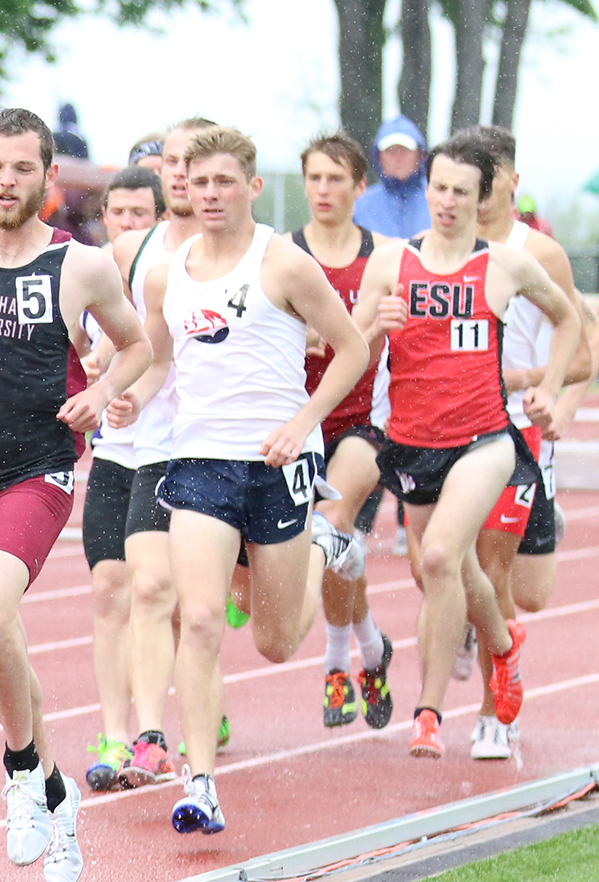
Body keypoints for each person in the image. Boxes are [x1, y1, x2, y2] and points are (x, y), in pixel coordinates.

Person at [118, 126, 371, 834]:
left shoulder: (283, 263)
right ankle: (201, 781)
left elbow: (350, 348)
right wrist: (134, 397)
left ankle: (325, 544)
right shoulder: (168, 275)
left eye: (224, 182)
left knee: (276, 641)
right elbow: (161, 360)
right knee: (197, 617)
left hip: (279, 461)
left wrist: (305, 421)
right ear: (183, 189)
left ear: (253, 187)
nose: (210, 195)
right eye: (198, 183)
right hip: (199, 460)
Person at [0, 108, 150, 882]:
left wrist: (104, 392)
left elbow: (139, 343)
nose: (8, 181)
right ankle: (56, 795)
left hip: (37, 468)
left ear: (48, 176)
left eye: (24, 168)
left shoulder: (79, 265)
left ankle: (20, 769)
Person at [353, 136, 582, 758]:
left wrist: (551, 389)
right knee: (448, 572)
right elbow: (351, 351)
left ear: (489, 193)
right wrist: (376, 328)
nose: (448, 201)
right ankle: (499, 647)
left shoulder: (516, 261)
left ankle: (450, 714)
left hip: (495, 435)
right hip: (415, 440)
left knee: (460, 564)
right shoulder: (393, 261)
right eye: (439, 188)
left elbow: (573, 325)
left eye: (462, 190)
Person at [455, 125, 592, 760]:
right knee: (484, 569)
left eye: (488, 179)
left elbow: (583, 356)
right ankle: (493, 713)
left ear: (510, 180)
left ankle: (479, 617)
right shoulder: (436, 251)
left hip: (523, 429)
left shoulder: (540, 254)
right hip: (454, 429)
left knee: (527, 592)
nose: (476, 195)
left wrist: (544, 389)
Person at [106, 118, 214, 788]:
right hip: (156, 444)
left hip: (229, 448)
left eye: (194, 164)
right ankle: (149, 736)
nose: (179, 174)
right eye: (171, 162)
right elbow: (140, 349)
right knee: (149, 586)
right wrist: (122, 392)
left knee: (256, 624)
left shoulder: (257, 255)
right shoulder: (137, 256)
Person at [284, 132, 395, 731]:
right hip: (299, 425)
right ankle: (372, 647)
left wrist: (370, 332)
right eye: (315, 178)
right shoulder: (283, 254)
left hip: (365, 424)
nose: (323, 189)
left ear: (360, 186)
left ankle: (333, 663)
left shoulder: (384, 256)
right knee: (339, 553)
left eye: (336, 178)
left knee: (331, 528)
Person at [81, 164, 163, 792]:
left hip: (167, 453)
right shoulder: (85, 276)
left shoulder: (171, 275)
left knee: (156, 596)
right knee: (110, 589)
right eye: (119, 214)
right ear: (104, 216)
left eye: (142, 214)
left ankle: (159, 729)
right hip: (112, 455)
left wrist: (119, 367)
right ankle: (114, 731)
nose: (129, 224)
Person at [353, 116, 429, 239]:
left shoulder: (439, 198)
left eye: (405, 150)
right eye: (390, 151)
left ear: (420, 155)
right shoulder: (360, 206)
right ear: (378, 158)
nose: (398, 157)